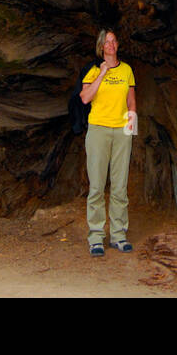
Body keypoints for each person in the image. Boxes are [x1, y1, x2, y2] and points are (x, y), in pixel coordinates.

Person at [79, 28, 136, 256]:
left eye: (113, 41)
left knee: (120, 186)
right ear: (101, 46)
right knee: (97, 186)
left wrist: (132, 123)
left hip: (122, 131)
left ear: (117, 45)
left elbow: (131, 100)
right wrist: (102, 74)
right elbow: (85, 98)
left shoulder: (127, 70)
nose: (110, 45)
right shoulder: (92, 70)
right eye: (106, 42)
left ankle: (119, 235)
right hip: (99, 130)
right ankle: (95, 236)